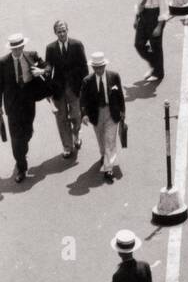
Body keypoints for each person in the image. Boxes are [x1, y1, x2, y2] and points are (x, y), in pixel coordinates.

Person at [1, 33, 48, 182]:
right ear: (11, 49)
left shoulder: (31, 56)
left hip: (28, 101)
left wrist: (42, 71)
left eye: (19, 47)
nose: (17, 50)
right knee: (16, 137)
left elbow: (48, 66)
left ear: (23, 46)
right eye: (14, 48)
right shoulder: (2, 63)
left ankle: (23, 148)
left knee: (27, 132)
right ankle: (21, 167)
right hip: (12, 104)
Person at [45, 21, 88, 161]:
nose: (62, 34)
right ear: (55, 33)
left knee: (76, 115)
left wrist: (84, 87)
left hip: (74, 88)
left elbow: (84, 67)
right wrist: (45, 71)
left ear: (67, 30)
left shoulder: (77, 45)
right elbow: (48, 66)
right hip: (58, 89)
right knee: (61, 119)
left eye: (64, 30)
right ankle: (67, 147)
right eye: (59, 31)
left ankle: (76, 135)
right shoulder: (50, 48)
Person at [80, 52, 125, 182]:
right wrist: (84, 115)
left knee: (110, 139)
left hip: (112, 112)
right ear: (92, 68)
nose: (99, 70)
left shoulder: (114, 76)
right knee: (101, 138)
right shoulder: (87, 81)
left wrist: (122, 111)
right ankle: (103, 154)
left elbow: (120, 95)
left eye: (101, 67)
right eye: (96, 67)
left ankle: (108, 168)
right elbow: (82, 100)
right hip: (96, 114)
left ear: (105, 65)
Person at [134, 0, 170, 83]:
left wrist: (159, 27)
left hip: (155, 17)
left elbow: (164, 9)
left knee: (156, 46)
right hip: (144, 15)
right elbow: (140, 2)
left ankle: (158, 72)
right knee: (138, 44)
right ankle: (154, 64)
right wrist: (136, 17)